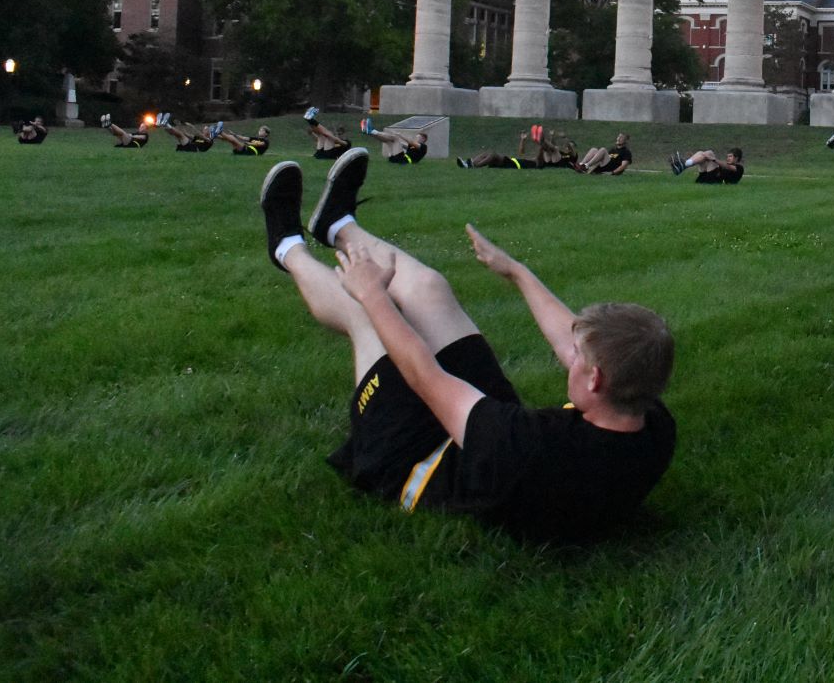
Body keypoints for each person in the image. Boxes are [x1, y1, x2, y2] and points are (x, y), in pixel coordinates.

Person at [258, 148, 676, 542]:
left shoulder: (530, 449)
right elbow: (578, 345)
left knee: (367, 318)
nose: (568, 356)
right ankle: (337, 225)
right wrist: (517, 272)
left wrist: (372, 295)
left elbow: (423, 375)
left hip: (412, 460)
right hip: (485, 438)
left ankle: (287, 247)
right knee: (429, 289)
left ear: (596, 379)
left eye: (577, 360)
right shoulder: (650, 423)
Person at [457, 128, 578, 170]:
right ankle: (470, 163)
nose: (569, 146)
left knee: (493, 155)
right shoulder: (559, 153)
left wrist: (567, 142)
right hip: (518, 161)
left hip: (519, 164)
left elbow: (569, 151)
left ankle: (472, 165)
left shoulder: (570, 158)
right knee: (489, 154)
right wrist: (523, 140)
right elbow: (521, 152)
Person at [668, 147, 745, 184]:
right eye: (727, 156)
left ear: (736, 158)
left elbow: (727, 167)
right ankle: (685, 164)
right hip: (705, 178)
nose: (728, 158)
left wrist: (713, 159)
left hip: (715, 181)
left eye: (730, 156)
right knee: (701, 153)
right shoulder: (724, 164)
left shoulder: (739, 168)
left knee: (709, 153)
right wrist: (698, 157)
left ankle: (684, 164)